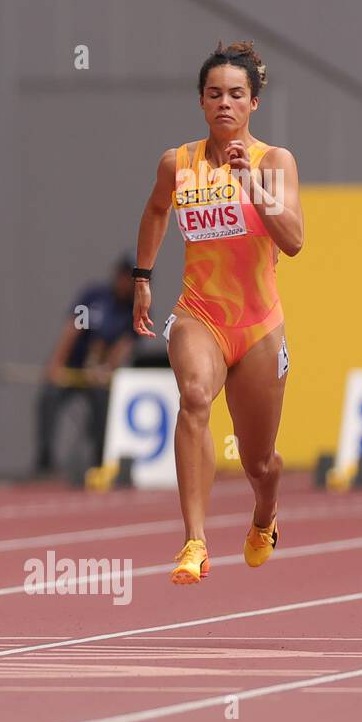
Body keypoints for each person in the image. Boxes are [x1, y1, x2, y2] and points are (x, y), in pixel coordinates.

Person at [132, 41, 304, 585]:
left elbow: (295, 240)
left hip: (257, 326)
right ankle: (194, 541)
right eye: (214, 94)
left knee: (259, 462)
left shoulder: (273, 162)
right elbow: (157, 209)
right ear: (201, 101)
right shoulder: (176, 163)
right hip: (197, 314)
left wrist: (251, 186)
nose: (224, 103)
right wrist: (142, 277)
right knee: (194, 395)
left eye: (236, 94)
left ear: (254, 103)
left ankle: (264, 515)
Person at [33, 256, 137, 476]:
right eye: (124, 274)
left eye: (132, 277)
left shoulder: (134, 310)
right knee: (49, 397)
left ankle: (99, 460)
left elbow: (123, 347)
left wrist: (106, 368)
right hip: (72, 368)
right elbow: (72, 330)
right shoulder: (94, 296)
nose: (126, 281)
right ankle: (45, 459)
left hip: (97, 375)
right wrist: (57, 363)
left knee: (103, 402)